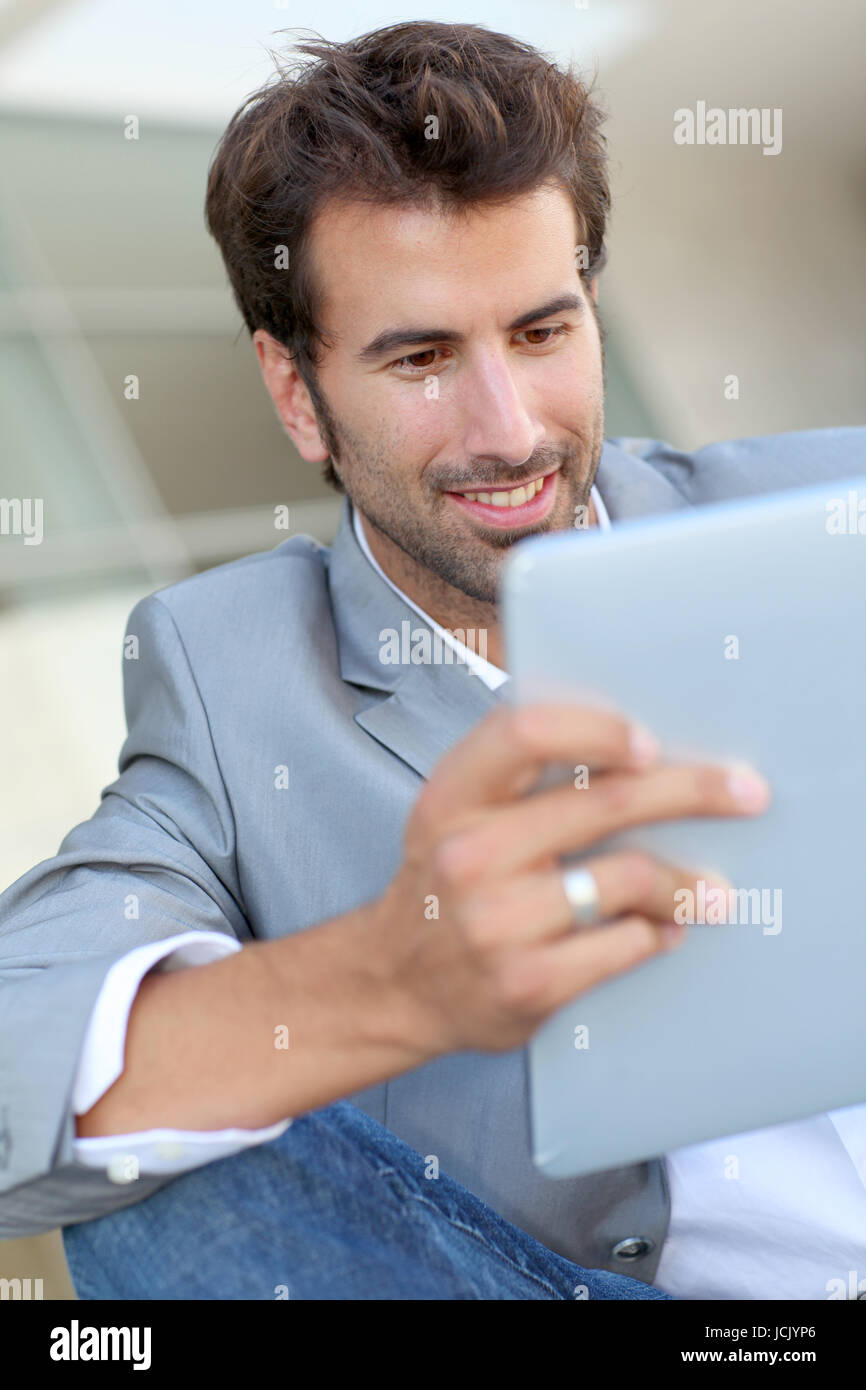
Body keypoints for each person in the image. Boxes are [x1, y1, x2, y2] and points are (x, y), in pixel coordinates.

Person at [1, 22, 863, 1301]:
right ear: (297, 395)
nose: (508, 434)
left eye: (540, 331)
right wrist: (391, 985)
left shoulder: (826, 502)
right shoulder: (230, 678)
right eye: (418, 358)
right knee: (156, 1178)